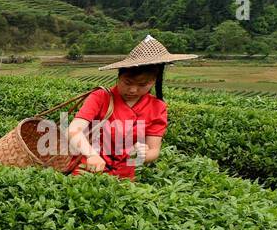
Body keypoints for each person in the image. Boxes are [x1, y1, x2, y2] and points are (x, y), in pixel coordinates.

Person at [66, 35, 197, 180]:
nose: (133, 90)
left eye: (142, 85)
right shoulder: (101, 96)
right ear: (119, 75)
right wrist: (91, 155)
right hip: (86, 170)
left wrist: (142, 155)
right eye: (127, 83)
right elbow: (73, 129)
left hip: (124, 176)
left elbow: (154, 150)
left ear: (154, 81)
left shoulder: (157, 107)